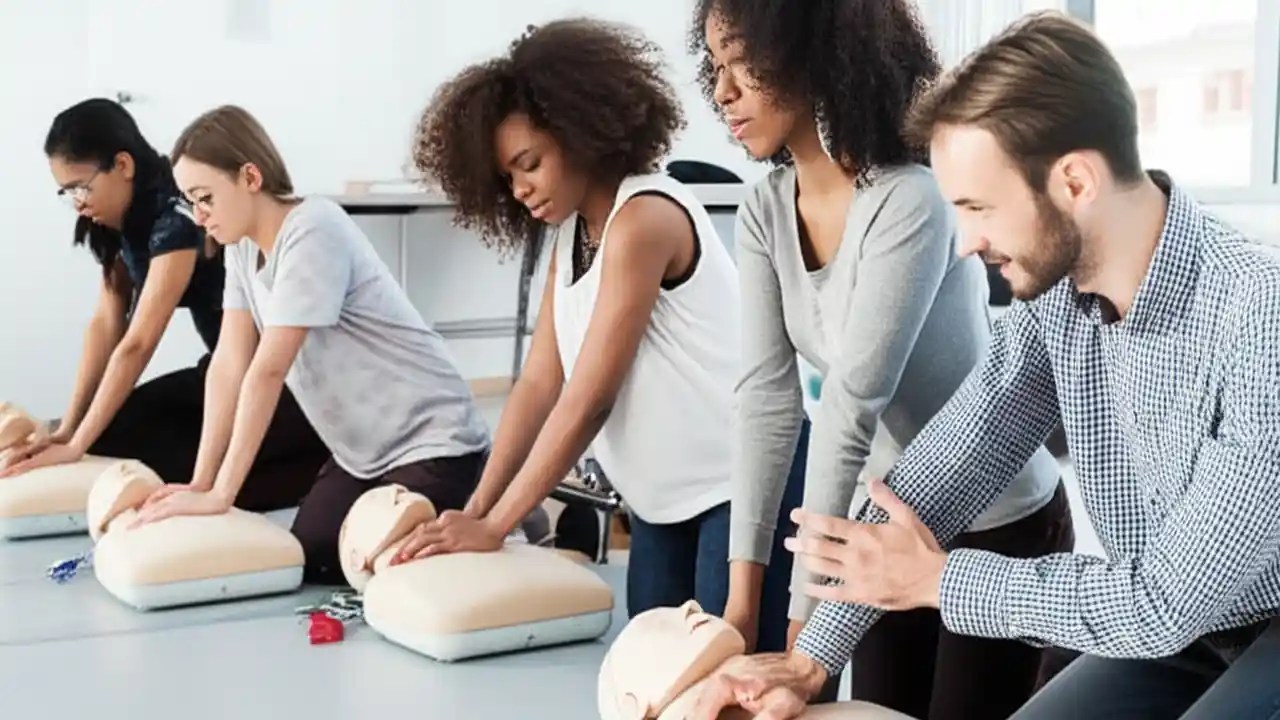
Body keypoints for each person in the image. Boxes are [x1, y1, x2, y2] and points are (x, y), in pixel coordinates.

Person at [691, 11, 1280, 720]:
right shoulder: (1057, 303)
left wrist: (939, 581)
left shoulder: (1260, 319)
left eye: (980, 208)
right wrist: (809, 659)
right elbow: (947, 465)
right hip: (1181, 632)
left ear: (1074, 182)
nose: (967, 242)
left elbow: (1161, 602)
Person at [690, 1, 1071, 715]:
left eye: (743, 63)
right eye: (715, 67)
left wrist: (803, 636)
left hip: (996, 527)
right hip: (882, 523)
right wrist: (740, 612)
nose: (723, 91)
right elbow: (767, 401)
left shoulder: (909, 198)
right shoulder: (764, 209)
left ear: (812, 57)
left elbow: (850, 407)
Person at [396, 18, 810, 634]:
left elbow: (588, 398)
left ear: (578, 134)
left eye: (530, 164)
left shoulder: (643, 219)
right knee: (655, 668)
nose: (521, 189)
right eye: (508, 177)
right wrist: (475, 511)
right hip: (663, 502)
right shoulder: (569, 235)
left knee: (726, 671)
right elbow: (540, 383)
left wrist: (498, 526)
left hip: (744, 484)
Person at [130, 105, 492, 586]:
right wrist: (201, 482)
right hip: (361, 455)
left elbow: (267, 370)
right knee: (316, 556)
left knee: (372, 561)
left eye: (205, 198)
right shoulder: (241, 248)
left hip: (433, 439)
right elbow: (229, 364)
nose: (199, 216)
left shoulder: (313, 227)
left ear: (250, 177)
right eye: (191, 202)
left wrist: (221, 495)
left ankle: (491, 501)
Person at [0, 98, 327, 513]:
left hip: (278, 383)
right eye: (67, 193)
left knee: (170, 466)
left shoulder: (178, 217)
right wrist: (69, 428)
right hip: (222, 370)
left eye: (82, 187)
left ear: (123, 165)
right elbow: (106, 324)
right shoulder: (113, 220)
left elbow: (139, 343)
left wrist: (76, 443)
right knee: (108, 435)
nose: (78, 202)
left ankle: (317, 463)